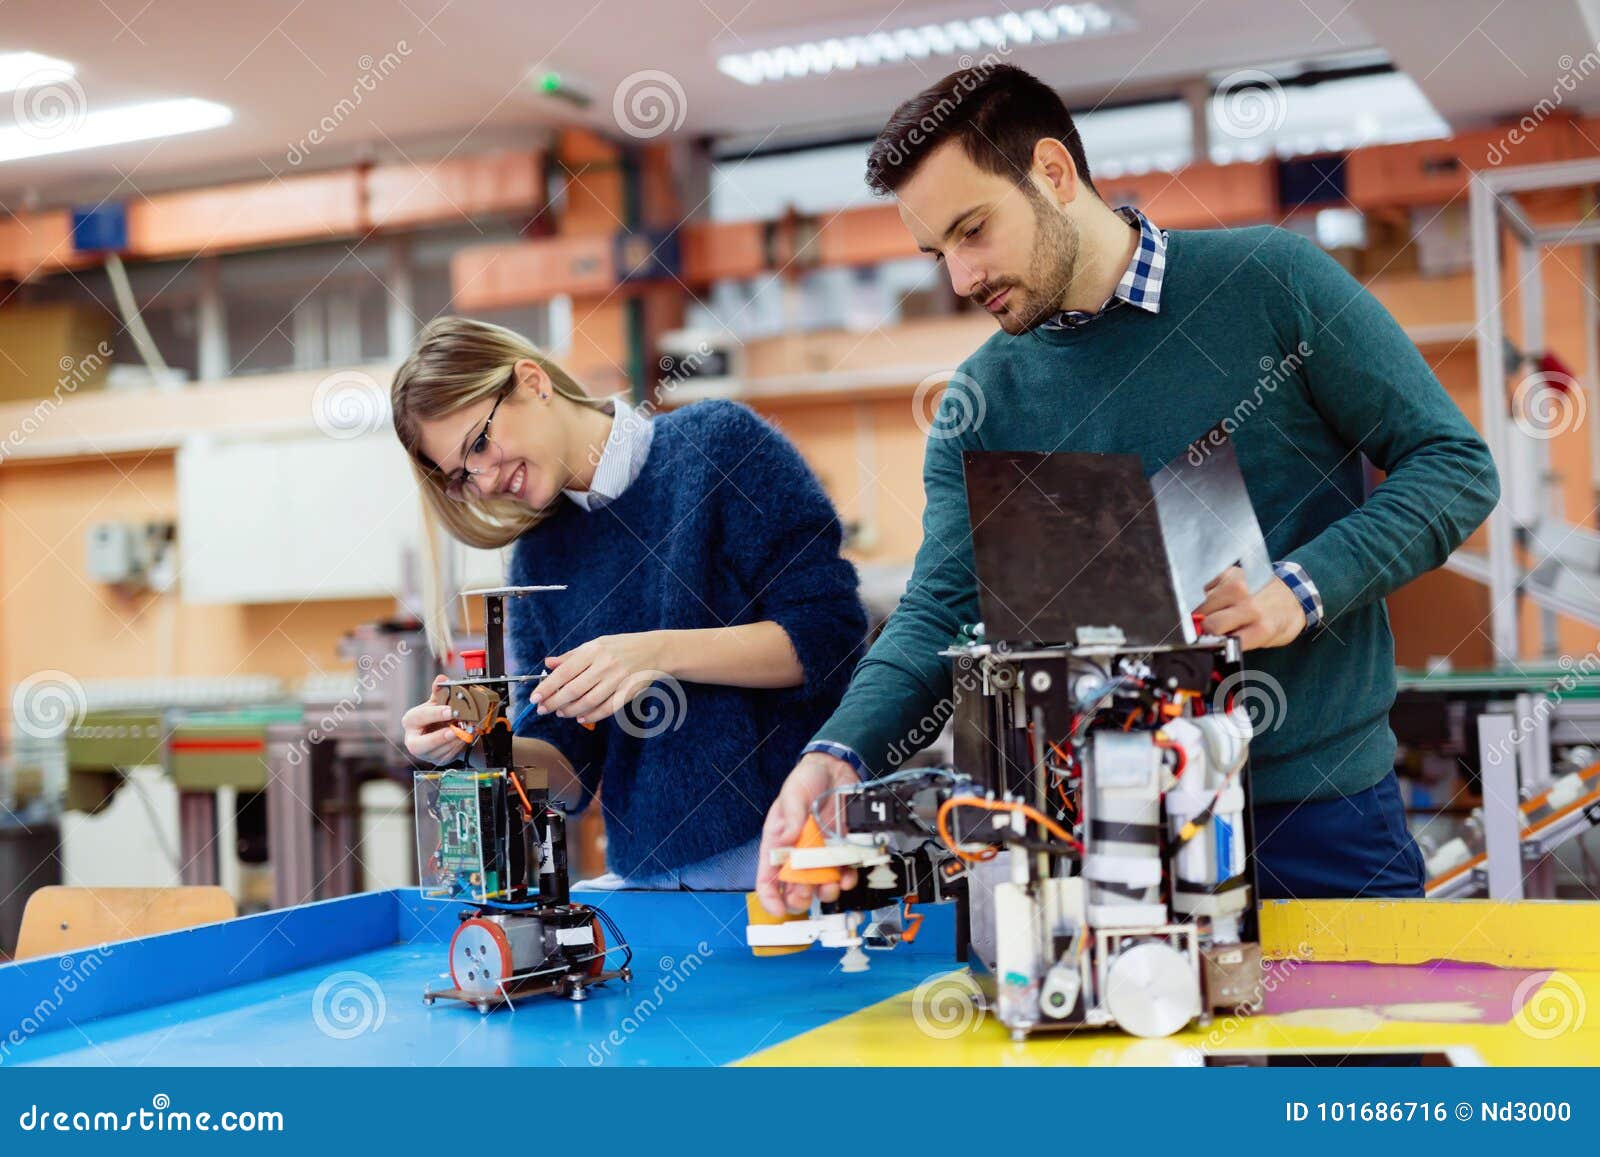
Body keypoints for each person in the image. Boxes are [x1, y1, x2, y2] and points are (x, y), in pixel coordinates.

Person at [757, 64, 1500, 915]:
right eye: (938, 253)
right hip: (1101, 842)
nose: (961, 280)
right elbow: (938, 607)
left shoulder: (1271, 284)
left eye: (972, 231)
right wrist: (839, 751)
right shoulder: (979, 402)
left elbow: (1452, 465)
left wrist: (1302, 588)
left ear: (1054, 173)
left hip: (1319, 815)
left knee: (1357, 1049)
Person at [392, 316, 867, 889]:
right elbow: (568, 774)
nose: (486, 480)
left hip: (798, 860)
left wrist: (655, 653)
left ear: (532, 382)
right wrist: (479, 747)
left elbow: (828, 636)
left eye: (481, 444)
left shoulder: (719, 448)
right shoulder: (538, 559)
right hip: (656, 890)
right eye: (462, 475)